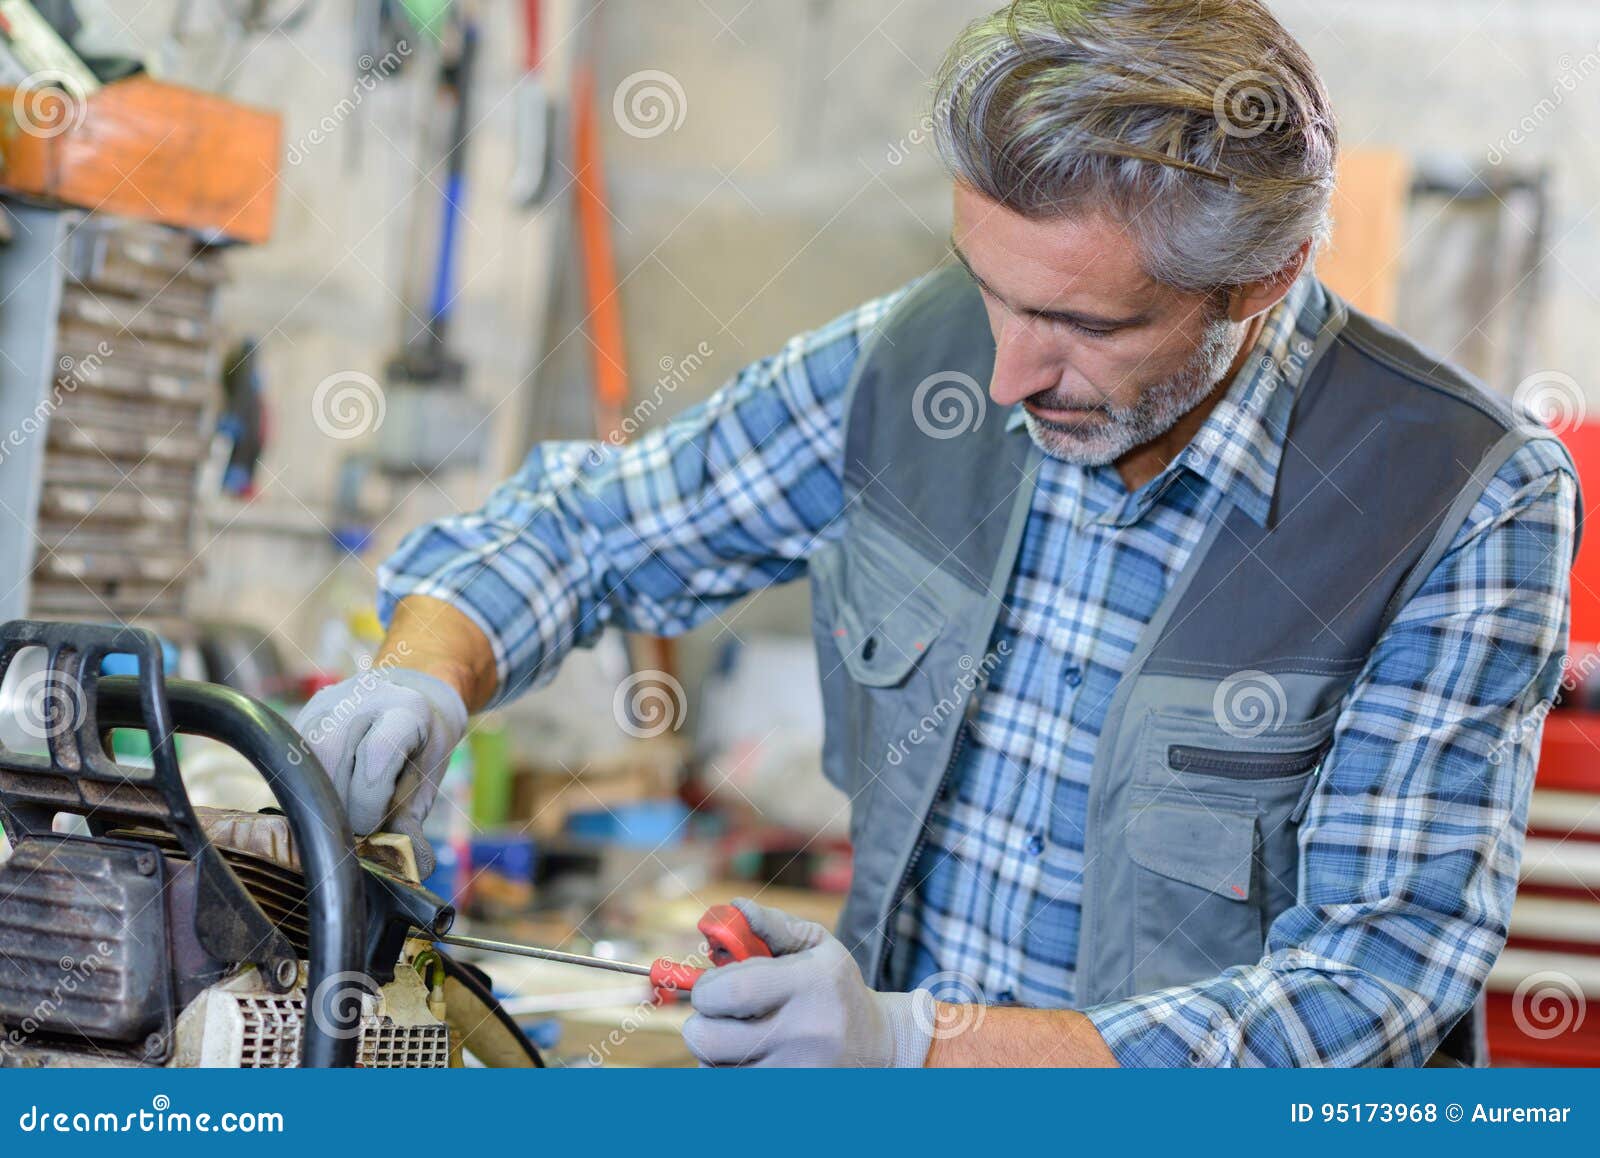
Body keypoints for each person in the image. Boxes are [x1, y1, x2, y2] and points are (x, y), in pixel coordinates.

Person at [296, 0, 1579, 1067]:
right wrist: (426, 666)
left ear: (1263, 281)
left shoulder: (1459, 496)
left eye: (1087, 326)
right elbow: (585, 531)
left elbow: (1369, 982)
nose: (1011, 373)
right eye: (989, 290)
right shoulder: (920, 359)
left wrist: (917, 1043)